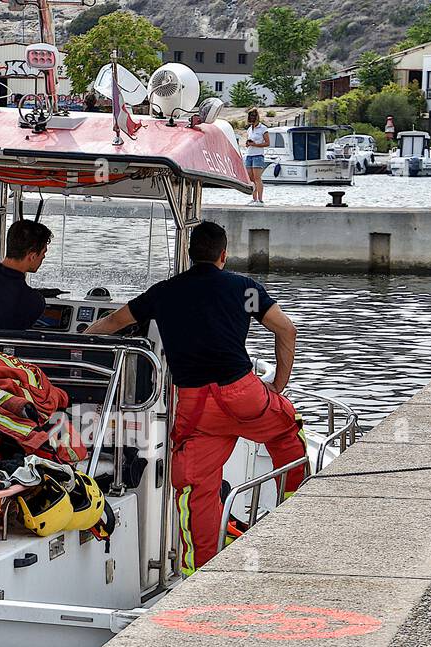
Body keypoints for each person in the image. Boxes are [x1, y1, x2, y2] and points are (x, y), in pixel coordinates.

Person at [83, 221, 305, 575]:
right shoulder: (245, 289)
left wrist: (80, 344)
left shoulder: (164, 292)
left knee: (196, 489)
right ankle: (299, 506)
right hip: (243, 395)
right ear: (223, 255)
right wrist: (278, 385)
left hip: (196, 407)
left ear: (189, 254)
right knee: (286, 432)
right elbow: (286, 329)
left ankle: (198, 573)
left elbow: (111, 323)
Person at [243, 108, 269, 205]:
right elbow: (249, 142)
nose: (251, 118)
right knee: (251, 178)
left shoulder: (263, 128)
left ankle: (260, 200)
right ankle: (254, 199)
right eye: (250, 116)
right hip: (249, 155)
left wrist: (255, 144)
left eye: (253, 116)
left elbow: (267, 143)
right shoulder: (250, 129)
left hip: (258, 155)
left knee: (257, 178)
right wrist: (248, 144)